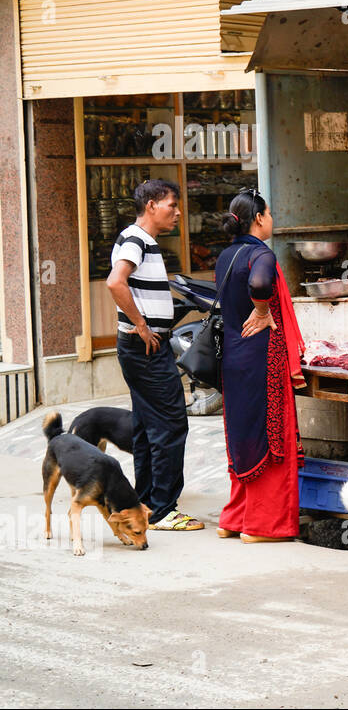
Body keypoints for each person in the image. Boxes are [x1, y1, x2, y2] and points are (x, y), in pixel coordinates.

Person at [105, 179, 202, 532]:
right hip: (144, 346)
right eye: (171, 205)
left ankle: (146, 501)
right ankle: (164, 509)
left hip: (145, 346)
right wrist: (142, 326)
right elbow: (115, 282)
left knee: (147, 427)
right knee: (171, 424)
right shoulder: (135, 239)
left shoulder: (145, 241)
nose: (177, 212)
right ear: (150, 206)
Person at [214, 189, 306, 543]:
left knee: (242, 435)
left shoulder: (225, 256)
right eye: (269, 214)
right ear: (257, 219)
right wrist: (264, 309)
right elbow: (260, 283)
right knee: (271, 437)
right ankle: (263, 526)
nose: (272, 219)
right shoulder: (260, 254)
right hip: (263, 357)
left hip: (234, 358)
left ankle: (235, 518)